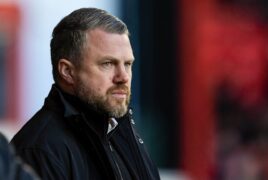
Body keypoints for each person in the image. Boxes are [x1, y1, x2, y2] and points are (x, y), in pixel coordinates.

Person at [10, 8, 160, 180]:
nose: (123, 77)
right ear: (67, 71)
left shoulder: (122, 131)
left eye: (127, 64)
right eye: (108, 63)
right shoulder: (39, 150)